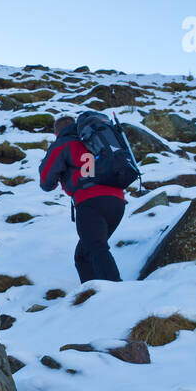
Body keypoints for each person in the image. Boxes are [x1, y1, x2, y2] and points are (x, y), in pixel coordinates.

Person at [38, 115, 126, 282]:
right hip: (117, 202)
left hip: (91, 202)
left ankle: (115, 292)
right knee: (83, 255)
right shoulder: (97, 141)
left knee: (95, 248)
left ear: (57, 133)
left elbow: (46, 181)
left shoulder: (64, 143)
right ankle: (92, 297)